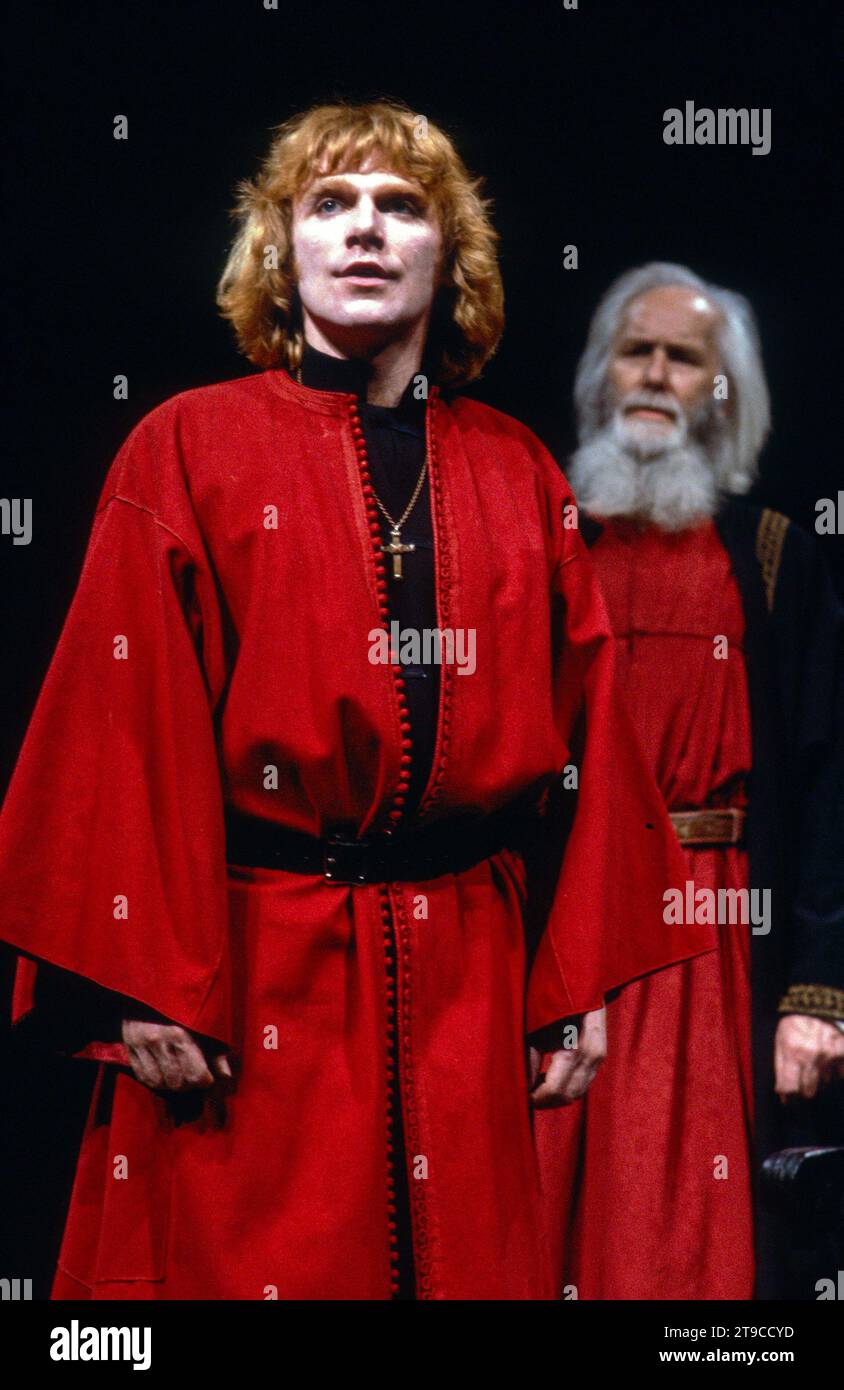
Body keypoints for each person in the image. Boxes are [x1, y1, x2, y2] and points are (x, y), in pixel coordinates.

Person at [0, 111, 709, 1301]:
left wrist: (567, 978)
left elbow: (589, 735)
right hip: (255, 966)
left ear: (449, 254)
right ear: (283, 250)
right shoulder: (188, 446)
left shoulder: (516, 467)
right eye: (330, 204)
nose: (366, 229)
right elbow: (116, 723)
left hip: (466, 975)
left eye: (401, 204)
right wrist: (140, 979)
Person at [536, 262, 844, 1300]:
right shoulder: (542, 543)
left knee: (693, 1248)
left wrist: (817, 999)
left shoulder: (770, 558)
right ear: (599, 374)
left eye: (684, 356)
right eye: (637, 349)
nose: (656, 373)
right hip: (564, 932)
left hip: (717, 940)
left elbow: (830, 784)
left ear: (724, 390)